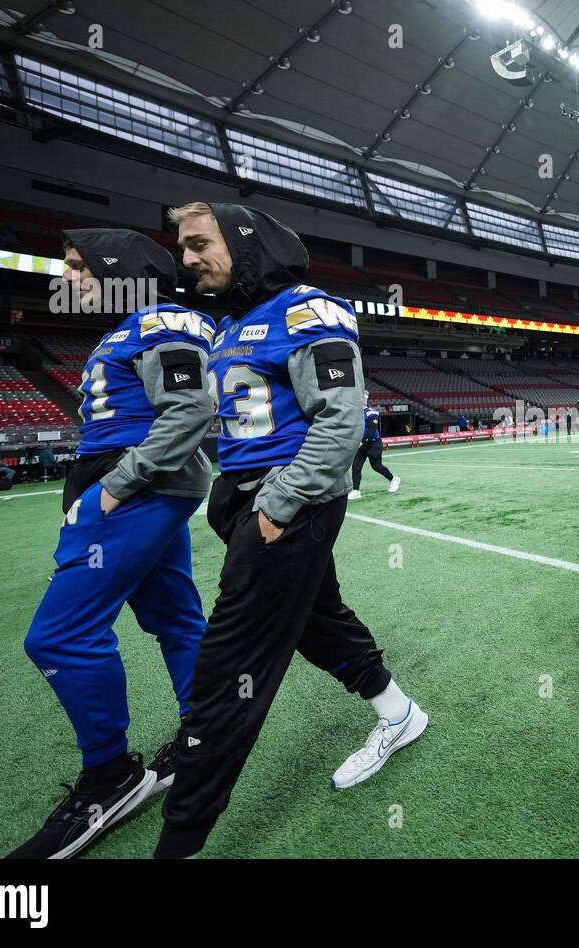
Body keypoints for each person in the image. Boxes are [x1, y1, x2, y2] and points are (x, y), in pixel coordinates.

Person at [156, 202, 427, 859]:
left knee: (226, 673)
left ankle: (179, 844)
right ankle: (400, 714)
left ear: (246, 245)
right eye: (181, 247)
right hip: (244, 500)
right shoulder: (231, 324)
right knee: (317, 619)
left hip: (288, 502)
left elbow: (339, 420)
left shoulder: (309, 309)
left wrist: (276, 508)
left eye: (199, 243)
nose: (186, 258)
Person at [9, 229, 215, 859]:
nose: (66, 278)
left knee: (59, 636)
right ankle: (203, 736)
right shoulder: (136, 326)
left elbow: (189, 411)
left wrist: (112, 489)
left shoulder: (161, 321)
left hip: (132, 486)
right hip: (141, 486)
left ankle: (111, 777)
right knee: (174, 617)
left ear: (121, 270)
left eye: (77, 267)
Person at [348, 392, 400, 499]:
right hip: (362, 444)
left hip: (373, 443)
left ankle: (393, 479)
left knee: (376, 466)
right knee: (356, 466)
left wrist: (361, 442)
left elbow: (371, 431)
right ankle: (356, 490)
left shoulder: (371, 412)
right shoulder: (356, 414)